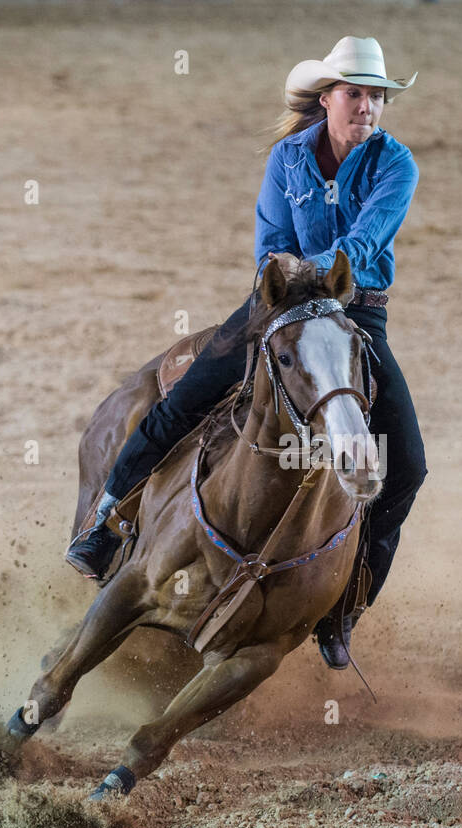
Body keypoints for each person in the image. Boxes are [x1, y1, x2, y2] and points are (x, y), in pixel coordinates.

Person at [67, 36, 427, 670]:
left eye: (376, 96)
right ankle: (102, 522)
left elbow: (363, 244)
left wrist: (317, 274)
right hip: (278, 305)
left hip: (355, 311)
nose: (367, 106)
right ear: (327, 99)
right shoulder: (288, 158)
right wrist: (289, 281)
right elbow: (269, 241)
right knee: (181, 401)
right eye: (356, 93)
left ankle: (344, 605)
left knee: (407, 465)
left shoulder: (396, 165)